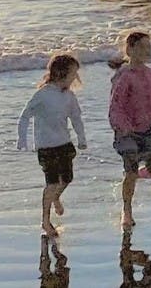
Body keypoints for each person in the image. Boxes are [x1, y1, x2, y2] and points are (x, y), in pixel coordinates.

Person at [107, 31, 151, 228]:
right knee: (131, 163)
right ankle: (126, 212)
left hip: (146, 130)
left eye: (149, 47)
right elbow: (115, 106)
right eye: (142, 47)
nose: (147, 51)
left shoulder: (150, 74)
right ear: (129, 49)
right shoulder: (124, 76)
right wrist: (122, 126)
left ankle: (134, 176)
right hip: (126, 132)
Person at [18, 54, 87, 237]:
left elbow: (76, 118)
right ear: (59, 73)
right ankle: (46, 221)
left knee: (67, 179)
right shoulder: (42, 95)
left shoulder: (69, 97)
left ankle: (56, 197)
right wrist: (22, 139)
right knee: (51, 182)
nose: (75, 78)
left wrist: (81, 138)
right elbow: (25, 115)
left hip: (64, 142)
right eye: (73, 74)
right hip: (46, 146)